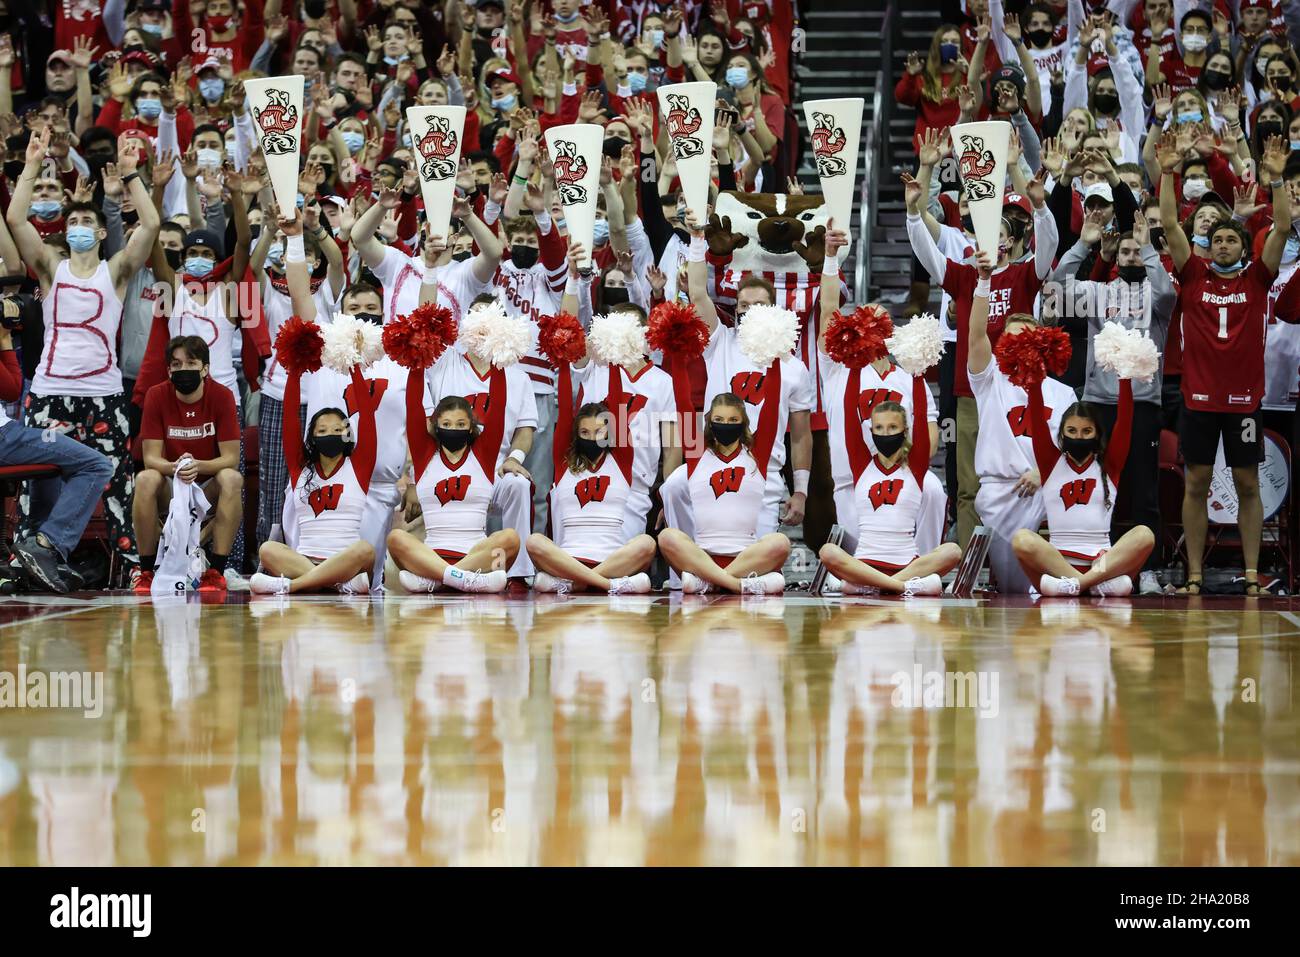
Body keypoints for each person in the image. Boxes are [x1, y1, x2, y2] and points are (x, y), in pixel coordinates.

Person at [5, 127, 159, 570]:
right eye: (71, 223)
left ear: (100, 231)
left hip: (104, 397)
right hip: (50, 393)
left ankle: (129, 568)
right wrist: (33, 165)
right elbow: (17, 220)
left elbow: (149, 225)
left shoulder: (117, 272)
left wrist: (132, 177)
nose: (78, 228)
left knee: (116, 483)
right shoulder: (51, 270)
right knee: (39, 483)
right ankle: (27, 562)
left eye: (86, 222)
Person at [1155, 130, 1288, 596]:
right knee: (1196, 485)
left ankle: (1252, 575)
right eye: (1219, 239)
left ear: (1244, 245)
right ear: (1208, 244)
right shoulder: (1192, 274)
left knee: (1248, 486)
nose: (1226, 245)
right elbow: (1171, 226)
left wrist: (1276, 180)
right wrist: (1169, 172)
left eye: (1234, 238)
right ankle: (1194, 574)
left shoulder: (1257, 279)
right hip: (1198, 399)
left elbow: (1284, 229)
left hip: (1244, 401)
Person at [817, 222, 944, 554]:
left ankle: (924, 563)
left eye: (881, 322)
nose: (871, 328)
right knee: (860, 572)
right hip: (851, 480)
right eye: (864, 320)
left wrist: (905, 466)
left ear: (891, 332)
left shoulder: (908, 377)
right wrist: (830, 258)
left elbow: (930, 435)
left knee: (932, 489)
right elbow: (829, 309)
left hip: (902, 475)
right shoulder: (837, 368)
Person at [968, 251, 1079, 594]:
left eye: (1026, 335)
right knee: (1011, 588)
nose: (1018, 342)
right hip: (999, 490)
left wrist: (1043, 472)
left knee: (1039, 586)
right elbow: (975, 336)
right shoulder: (989, 381)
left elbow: (1072, 449)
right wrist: (983, 282)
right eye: (1011, 335)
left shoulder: (1063, 393)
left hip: (1045, 488)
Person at [0, 301, 113, 593]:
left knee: (53, 464)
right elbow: (12, 386)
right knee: (96, 464)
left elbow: (11, 389)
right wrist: (3, 338)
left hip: (10, 434)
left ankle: (34, 556)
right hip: (4, 437)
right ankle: (47, 544)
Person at [250, 343, 379, 596]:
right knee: (268, 549)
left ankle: (294, 586)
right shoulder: (301, 469)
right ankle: (336, 585)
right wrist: (296, 371)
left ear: (348, 435)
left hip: (348, 562)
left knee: (365, 550)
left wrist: (354, 366)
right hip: (304, 561)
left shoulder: (359, 466)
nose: (330, 434)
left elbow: (367, 415)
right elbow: (289, 417)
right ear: (312, 437)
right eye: (322, 431)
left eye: (337, 430)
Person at [1013, 371, 1155, 597]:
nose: (1078, 437)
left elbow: (1126, 420)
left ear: (1097, 434)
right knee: (1021, 538)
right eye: (1072, 431)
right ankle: (1089, 585)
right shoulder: (1050, 463)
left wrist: (1125, 378)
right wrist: (1035, 379)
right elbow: (1037, 417)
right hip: (1057, 563)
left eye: (1086, 431)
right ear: (1062, 433)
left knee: (1145, 534)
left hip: (1102, 563)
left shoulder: (1110, 464)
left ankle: (1076, 585)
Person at [817, 375, 962, 595]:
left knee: (952, 551)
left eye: (892, 427)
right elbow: (849, 413)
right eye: (879, 428)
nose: (885, 433)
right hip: (865, 563)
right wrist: (855, 368)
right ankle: (903, 587)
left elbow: (921, 416)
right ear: (871, 431)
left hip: (907, 563)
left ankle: (870, 586)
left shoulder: (915, 466)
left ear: (905, 431)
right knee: (828, 552)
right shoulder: (862, 465)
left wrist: (918, 375)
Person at [133, 336, 243, 594]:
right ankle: (147, 571)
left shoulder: (222, 395)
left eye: (191, 363)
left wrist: (198, 466)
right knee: (145, 479)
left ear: (205, 369)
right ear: (169, 370)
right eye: (176, 365)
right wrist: (177, 468)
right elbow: (151, 458)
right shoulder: (156, 395)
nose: (183, 370)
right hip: (172, 485)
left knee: (232, 478)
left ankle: (216, 571)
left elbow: (231, 458)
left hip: (205, 485)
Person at [387, 385, 518, 594]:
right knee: (395, 538)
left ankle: (438, 580)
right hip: (431, 555)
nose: (453, 429)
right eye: (446, 423)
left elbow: (498, 406)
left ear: (471, 427)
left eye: (460, 424)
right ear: (435, 425)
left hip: (477, 554)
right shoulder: (425, 454)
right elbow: (413, 407)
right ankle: (466, 580)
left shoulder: (484, 454)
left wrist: (497, 361)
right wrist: (416, 365)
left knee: (510, 538)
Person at [658, 393, 790, 595]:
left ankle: (710, 583)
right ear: (709, 421)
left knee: (780, 543)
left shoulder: (757, 454)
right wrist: (677, 361)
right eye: (718, 420)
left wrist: (775, 362)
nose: (725, 425)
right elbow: (683, 402)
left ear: (744, 422)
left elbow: (772, 404)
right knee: (667, 537)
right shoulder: (697, 454)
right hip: (703, 557)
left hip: (746, 558)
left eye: (733, 420)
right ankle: (740, 585)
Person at [527, 402, 657, 595]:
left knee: (647, 543)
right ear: (576, 435)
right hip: (569, 559)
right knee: (534, 541)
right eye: (585, 432)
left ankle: (573, 585)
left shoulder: (621, 461)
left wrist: (614, 370)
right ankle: (609, 585)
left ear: (609, 432)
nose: (592, 437)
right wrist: (564, 370)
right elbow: (563, 413)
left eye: (598, 432)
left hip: (612, 560)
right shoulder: (564, 464)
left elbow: (618, 404)